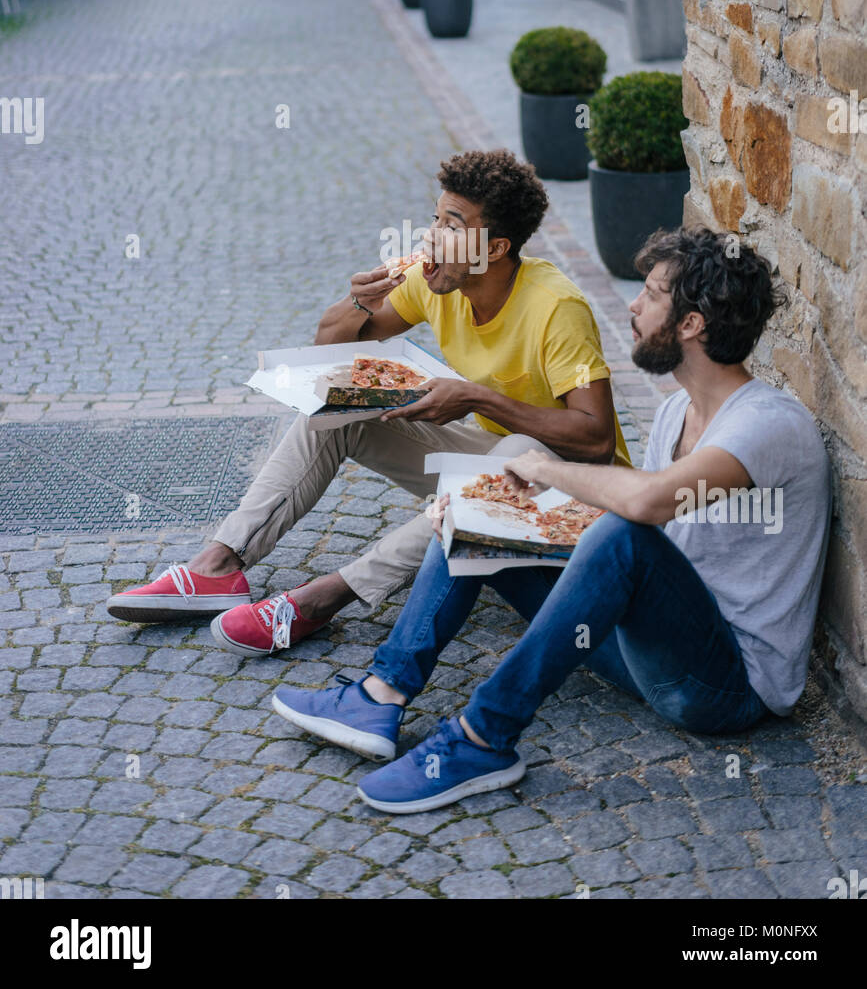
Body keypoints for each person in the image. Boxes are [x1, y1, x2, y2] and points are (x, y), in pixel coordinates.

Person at [270, 227, 832, 814]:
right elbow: (641, 543)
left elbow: (643, 509)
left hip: (724, 686)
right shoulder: (674, 414)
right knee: (477, 506)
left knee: (620, 528)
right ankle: (381, 693)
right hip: (649, 653)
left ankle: (483, 737)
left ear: (692, 325)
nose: (632, 306)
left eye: (651, 296)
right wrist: (486, 508)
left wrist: (547, 470)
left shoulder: (767, 425)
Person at [107, 149, 631, 650]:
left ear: (495, 247)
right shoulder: (435, 282)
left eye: (453, 224)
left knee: (517, 449)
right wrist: (357, 302)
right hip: (487, 478)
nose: (433, 236)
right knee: (336, 415)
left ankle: (324, 597)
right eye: (435, 219)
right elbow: (328, 355)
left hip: (579, 504)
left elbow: (596, 440)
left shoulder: (557, 306)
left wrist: (479, 399)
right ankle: (217, 566)